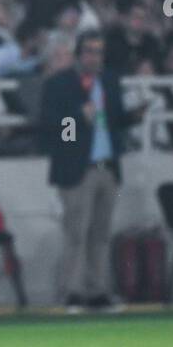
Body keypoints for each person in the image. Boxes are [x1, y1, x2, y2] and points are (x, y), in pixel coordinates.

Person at [40, 30, 127, 312]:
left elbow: (116, 119)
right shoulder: (60, 84)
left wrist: (134, 115)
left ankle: (97, 291)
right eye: (89, 50)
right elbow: (47, 124)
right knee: (76, 233)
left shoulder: (111, 82)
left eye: (99, 51)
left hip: (107, 166)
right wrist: (77, 118)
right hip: (78, 169)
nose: (94, 57)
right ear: (79, 54)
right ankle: (72, 292)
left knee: (101, 234)